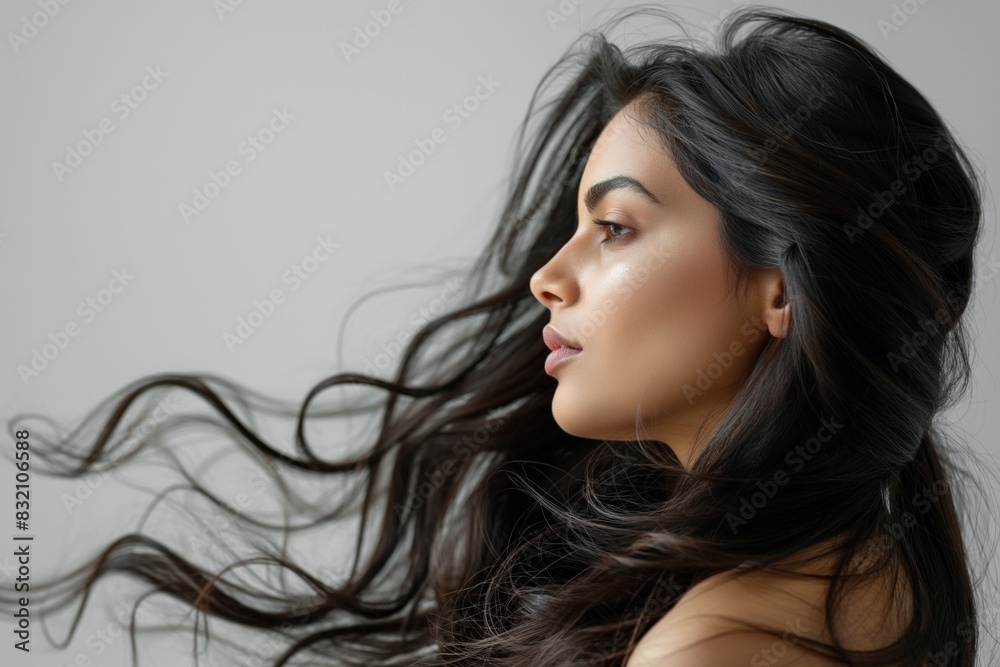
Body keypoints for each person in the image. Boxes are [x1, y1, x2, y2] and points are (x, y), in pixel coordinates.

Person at [5, 5, 991, 666]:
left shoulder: (709, 649)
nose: (547, 277)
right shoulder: (882, 554)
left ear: (780, 287)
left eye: (614, 228)